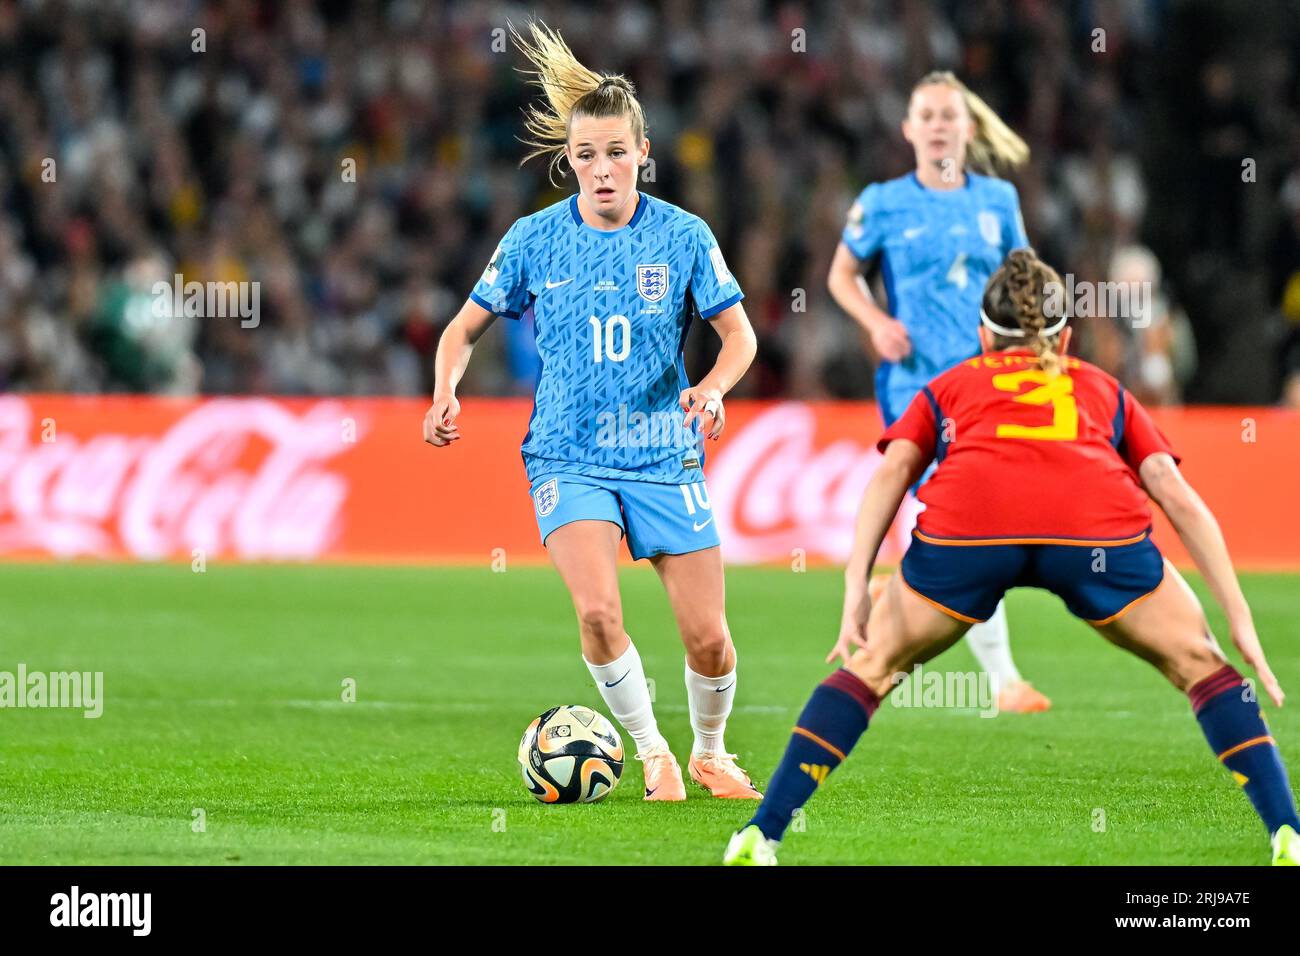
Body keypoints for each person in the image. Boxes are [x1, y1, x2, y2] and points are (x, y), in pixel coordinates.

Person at [725, 248, 1300, 865]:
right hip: (1091, 531)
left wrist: (854, 591)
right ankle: (1287, 833)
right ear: (1068, 336)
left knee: (871, 668)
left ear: (982, 335)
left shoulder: (951, 385)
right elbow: (1175, 494)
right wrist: (1237, 616)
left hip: (973, 532)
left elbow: (893, 472)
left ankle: (764, 833)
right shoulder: (1102, 388)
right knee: (1204, 668)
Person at [424, 22, 760, 801]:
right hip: (567, 455)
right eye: (585, 156)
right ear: (566, 161)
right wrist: (447, 388)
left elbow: (738, 336)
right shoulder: (534, 240)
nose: (601, 170)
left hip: (661, 451)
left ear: (645, 152)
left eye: (616, 153)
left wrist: (710, 388)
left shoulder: (683, 236)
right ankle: (652, 753)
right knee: (600, 613)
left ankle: (710, 748)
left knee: (708, 637)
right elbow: (461, 328)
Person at [827, 71, 1049, 712]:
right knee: (969, 517)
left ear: (968, 128)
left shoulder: (998, 200)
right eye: (925, 114)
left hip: (987, 384)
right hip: (916, 385)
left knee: (970, 520)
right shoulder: (883, 201)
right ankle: (1001, 680)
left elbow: (1023, 283)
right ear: (908, 129)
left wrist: (1037, 353)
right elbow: (842, 275)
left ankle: (897, 611)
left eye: (948, 115)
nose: (937, 125)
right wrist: (876, 322)